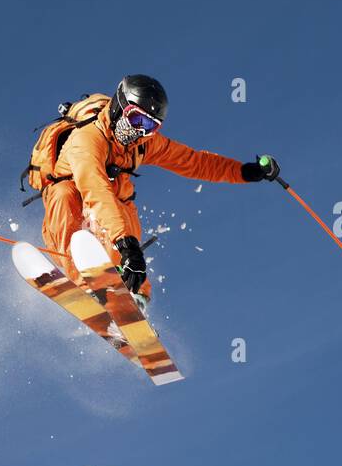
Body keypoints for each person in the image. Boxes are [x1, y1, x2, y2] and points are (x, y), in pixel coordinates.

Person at [38, 74, 279, 307]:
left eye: (150, 126)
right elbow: (95, 190)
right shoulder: (87, 140)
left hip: (110, 199)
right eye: (136, 120)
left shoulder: (143, 144)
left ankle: (134, 294)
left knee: (124, 213)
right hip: (73, 194)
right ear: (119, 107)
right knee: (66, 197)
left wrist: (246, 171)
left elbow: (195, 162)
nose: (139, 131)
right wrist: (126, 244)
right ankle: (85, 283)